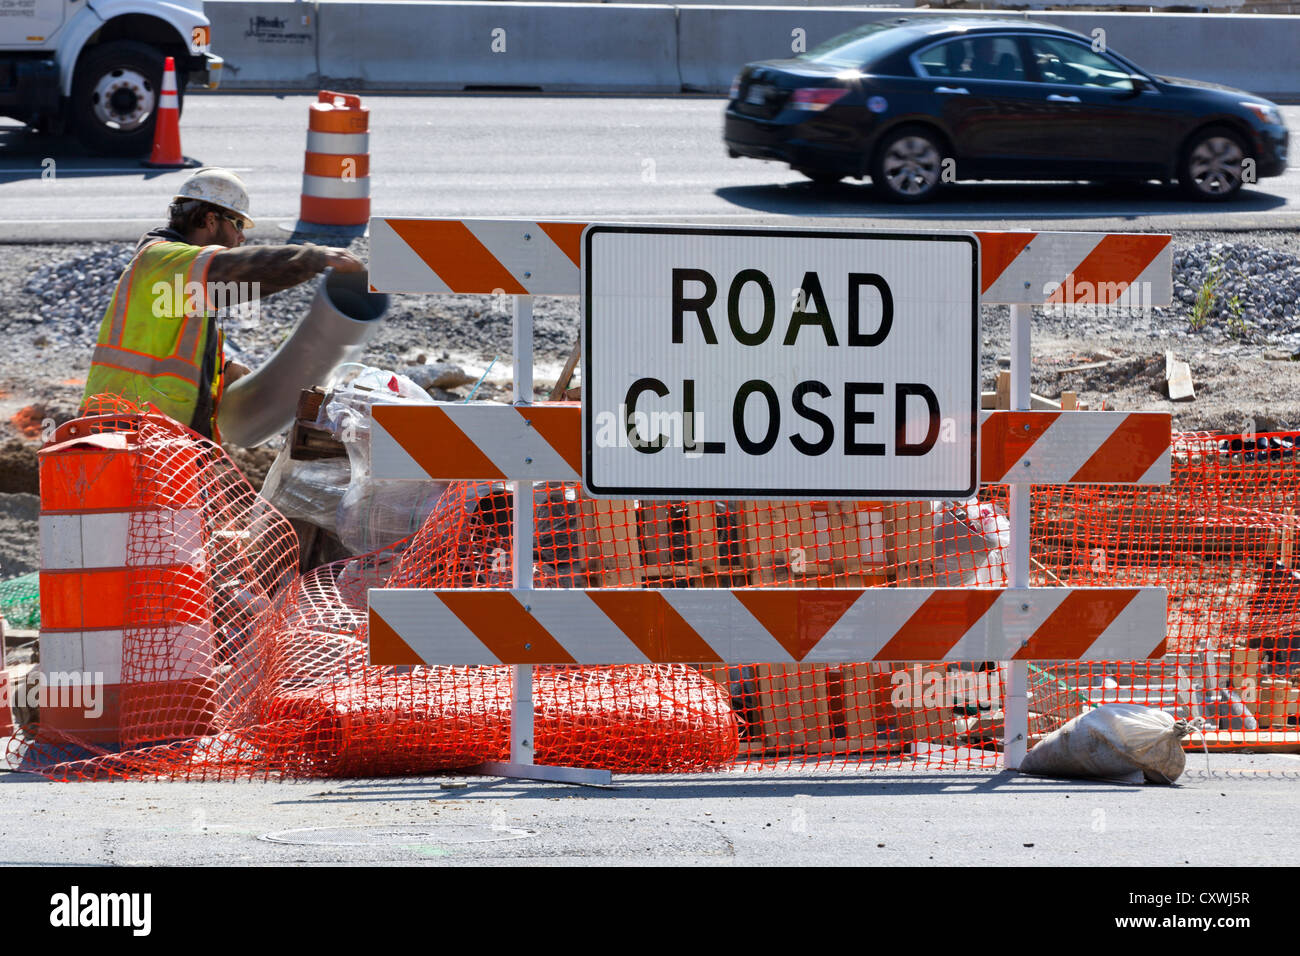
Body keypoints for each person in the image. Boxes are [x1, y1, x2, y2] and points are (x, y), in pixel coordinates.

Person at [82, 167, 365, 442]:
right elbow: (239, 271)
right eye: (238, 224)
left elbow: (165, 346)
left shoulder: (173, 271)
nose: (241, 237)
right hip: (126, 436)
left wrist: (221, 369)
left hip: (150, 440)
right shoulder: (162, 261)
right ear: (210, 220)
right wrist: (313, 258)